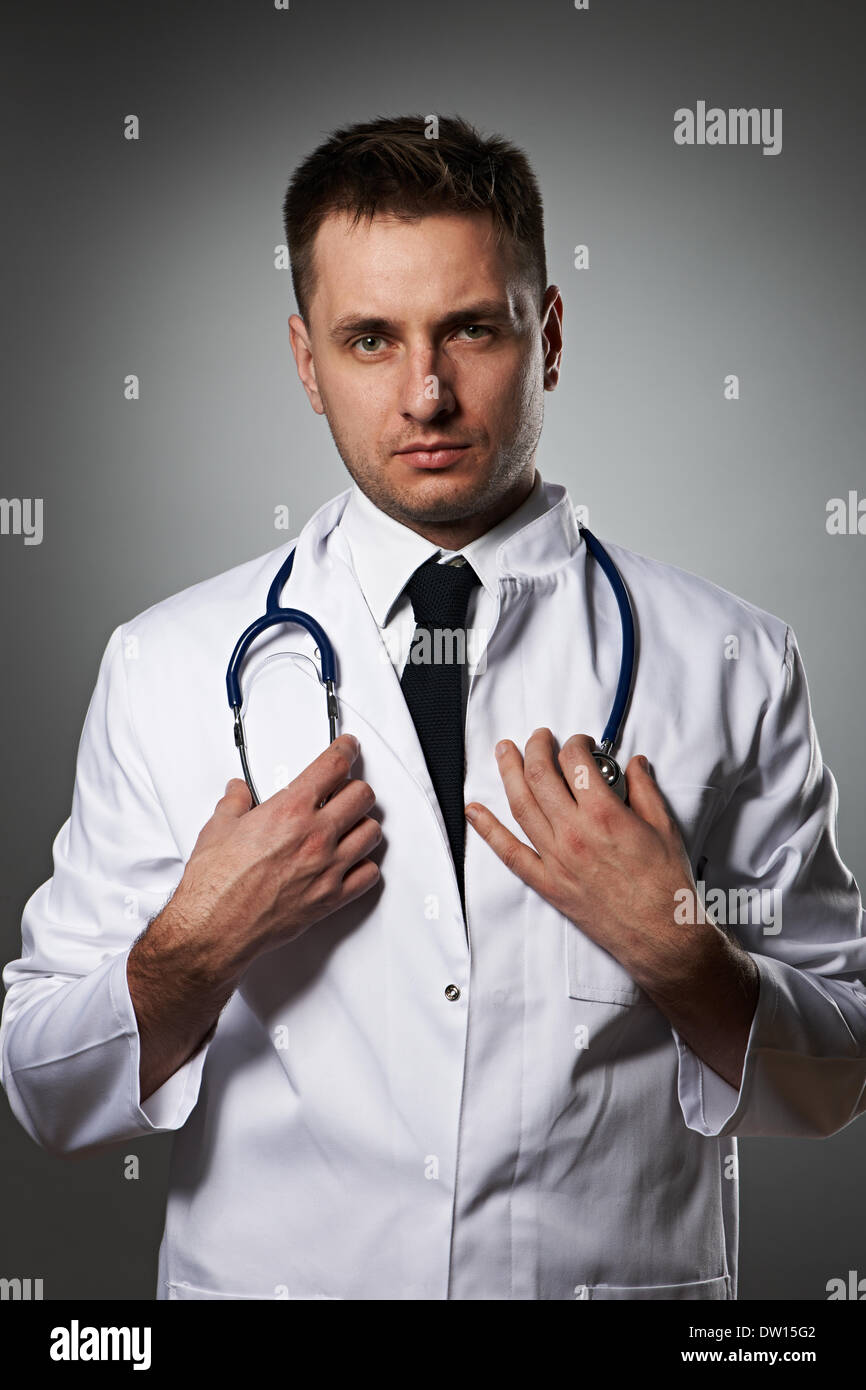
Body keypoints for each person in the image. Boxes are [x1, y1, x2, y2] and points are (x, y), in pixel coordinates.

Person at [2, 114, 865, 1302]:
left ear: (545, 336)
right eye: (369, 339)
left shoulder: (731, 660)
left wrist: (683, 954)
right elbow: (45, 1091)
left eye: (470, 329)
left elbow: (838, 1074)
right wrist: (194, 950)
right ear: (306, 361)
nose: (425, 393)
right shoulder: (165, 662)